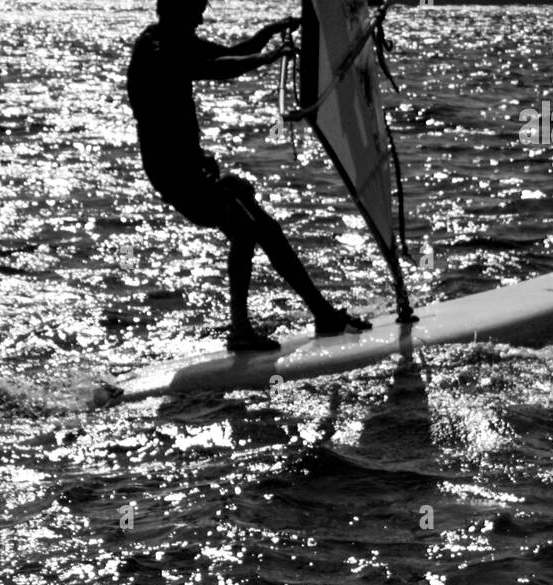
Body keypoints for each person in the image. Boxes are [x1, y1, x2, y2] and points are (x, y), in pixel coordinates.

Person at [127, 0, 371, 352]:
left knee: (265, 227)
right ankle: (240, 331)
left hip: (191, 169)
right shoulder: (156, 49)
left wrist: (267, 35)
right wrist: (266, 59)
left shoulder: (176, 37)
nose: (200, 15)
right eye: (195, 7)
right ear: (174, 8)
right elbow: (215, 67)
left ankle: (323, 313)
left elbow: (231, 52)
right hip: (173, 174)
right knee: (243, 228)